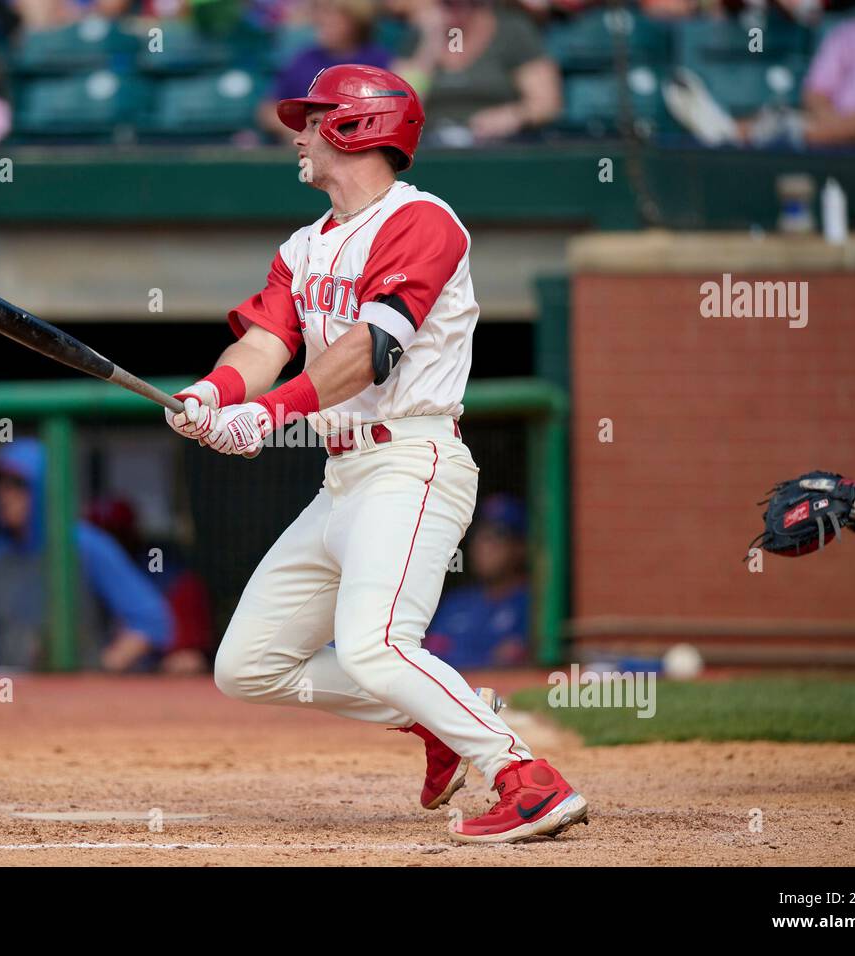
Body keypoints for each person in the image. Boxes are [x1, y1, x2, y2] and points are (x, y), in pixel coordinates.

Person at [167, 63, 587, 844]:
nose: (297, 132)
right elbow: (266, 342)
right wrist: (215, 394)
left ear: (358, 128)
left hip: (411, 464)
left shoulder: (423, 222)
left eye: (314, 117)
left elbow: (373, 348)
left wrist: (269, 413)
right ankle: (442, 718)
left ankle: (524, 779)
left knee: (374, 645)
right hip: (341, 479)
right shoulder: (302, 246)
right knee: (247, 665)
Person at [665, 0, 855, 173]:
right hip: (838, 130)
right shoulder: (849, 31)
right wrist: (838, 125)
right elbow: (816, 94)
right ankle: (739, 131)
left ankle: (750, 133)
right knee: (797, 119)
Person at [0, 438, 174, 671]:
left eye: (17, 484)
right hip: (10, 689)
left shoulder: (85, 544)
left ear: (44, 488)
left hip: (75, 693)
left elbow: (153, 621)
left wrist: (103, 668)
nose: (4, 494)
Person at [396, 0, 562, 146]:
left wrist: (512, 116)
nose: (455, 8)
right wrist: (428, 46)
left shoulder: (512, 30)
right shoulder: (420, 36)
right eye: (446, 3)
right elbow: (401, 105)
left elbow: (546, 104)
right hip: (433, 144)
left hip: (500, 145)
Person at [87, 496, 213, 675]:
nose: (110, 544)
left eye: (117, 535)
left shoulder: (169, 576)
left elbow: (189, 657)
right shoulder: (80, 576)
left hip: (152, 678)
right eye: (102, 536)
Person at [258, 0, 391, 143]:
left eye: (333, 15)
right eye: (322, 14)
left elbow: (386, 118)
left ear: (356, 22)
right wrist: (306, 135)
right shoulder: (304, 59)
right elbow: (268, 111)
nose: (323, 21)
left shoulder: (379, 62)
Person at [425, 493, 532, 668]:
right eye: (478, 535)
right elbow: (428, 658)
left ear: (520, 547)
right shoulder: (456, 602)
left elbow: (514, 661)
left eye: (497, 535)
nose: (482, 545)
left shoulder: (534, 604)